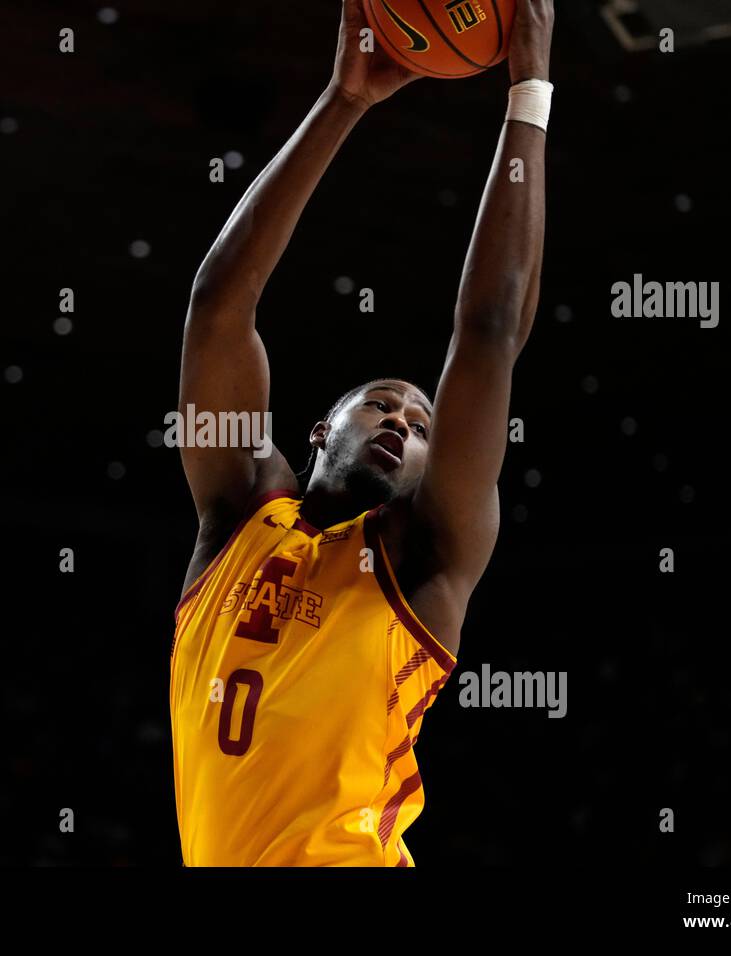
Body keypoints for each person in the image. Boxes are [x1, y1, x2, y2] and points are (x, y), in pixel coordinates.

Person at [170, 0, 556, 866]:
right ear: (321, 429)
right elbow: (219, 307)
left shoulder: (426, 558)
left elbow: (490, 332)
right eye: (383, 405)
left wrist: (529, 90)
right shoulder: (238, 515)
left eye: (421, 426)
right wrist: (341, 102)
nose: (404, 424)